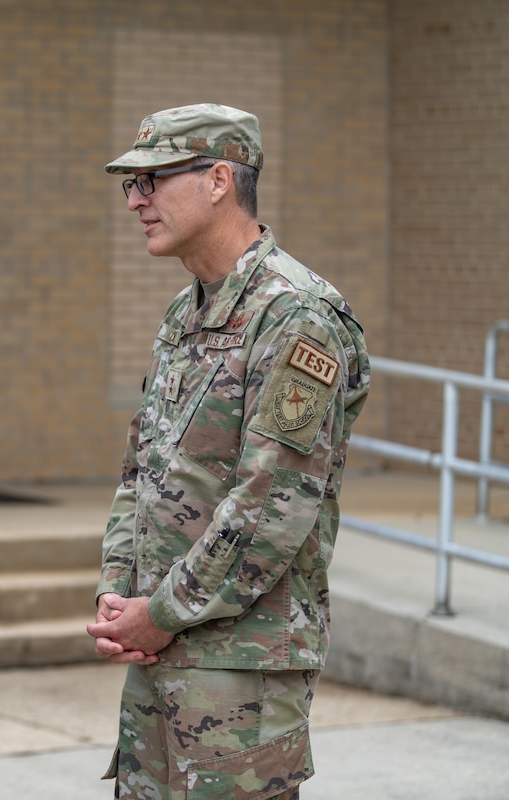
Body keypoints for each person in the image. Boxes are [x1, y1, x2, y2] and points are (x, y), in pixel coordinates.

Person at [87, 104, 371, 799]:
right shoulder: (186, 314)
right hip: (162, 651)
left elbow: (270, 506)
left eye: (152, 180)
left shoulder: (295, 316)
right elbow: (142, 469)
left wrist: (157, 615)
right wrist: (119, 590)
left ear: (219, 179)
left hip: (240, 669)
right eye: (132, 184)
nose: (136, 201)